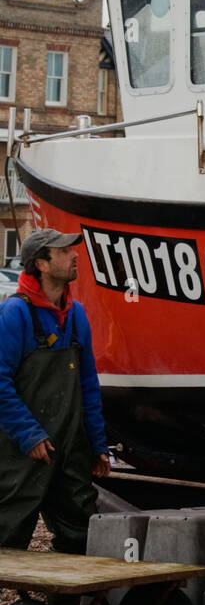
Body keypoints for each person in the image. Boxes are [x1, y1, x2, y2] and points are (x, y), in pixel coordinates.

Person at [0, 229, 110, 554]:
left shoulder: (76, 315)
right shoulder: (15, 313)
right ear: (42, 264)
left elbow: (88, 384)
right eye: (63, 251)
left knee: (82, 537)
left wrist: (97, 445)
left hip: (69, 450)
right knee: (7, 538)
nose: (74, 255)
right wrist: (30, 436)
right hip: (21, 452)